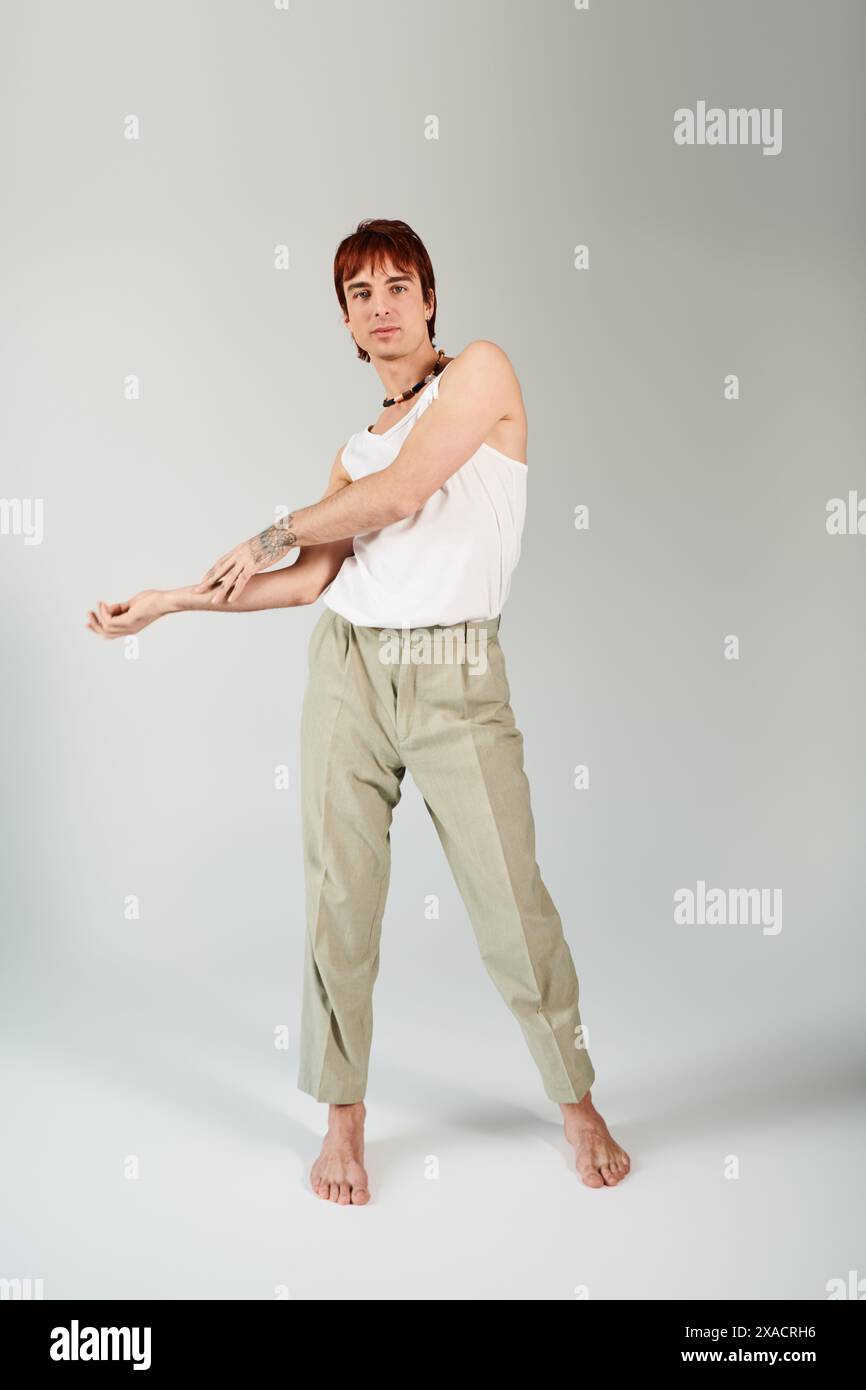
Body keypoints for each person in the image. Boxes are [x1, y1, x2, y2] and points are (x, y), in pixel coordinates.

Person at [87, 218, 631, 1204]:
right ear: (345, 325)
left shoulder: (480, 375)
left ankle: (576, 1098)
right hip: (347, 672)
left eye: (395, 285)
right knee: (340, 900)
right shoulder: (350, 450)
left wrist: (275, 524)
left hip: (457, 674)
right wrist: (166, 603)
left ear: (429, 297)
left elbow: (403, 493)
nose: (380, 307)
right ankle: (342, 1118)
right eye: (358, 295)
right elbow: (303, 586)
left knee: (511, 900)